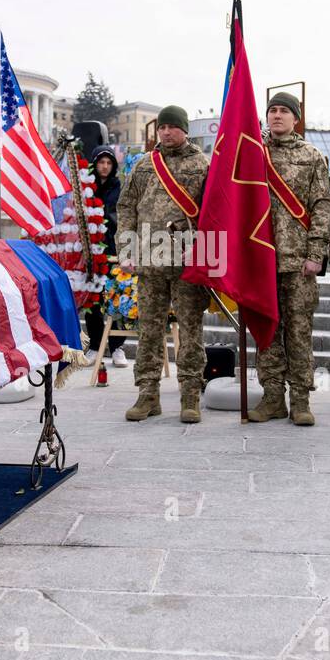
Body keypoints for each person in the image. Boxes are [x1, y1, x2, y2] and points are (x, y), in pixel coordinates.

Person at [116, 105, 210, 423]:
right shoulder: (144, 166)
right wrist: (125, 248)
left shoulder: (202, 164)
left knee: (191, 331)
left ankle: (190, 396)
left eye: (172, 127)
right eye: (162, 128)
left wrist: (204, 250)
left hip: (188, 261)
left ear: (185, 129)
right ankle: (147, 395)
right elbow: (126, 206)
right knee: (149, 331)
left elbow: (214, 211)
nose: (166, 132)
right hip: (149, 260)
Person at [246, 92, 330, 427]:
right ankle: (272, 398)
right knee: (267, 331)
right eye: (273, 111)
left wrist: (316, 254)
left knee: (298, 332)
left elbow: (323, 207)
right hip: (261, 261)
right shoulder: (253, 154)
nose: (277, 116)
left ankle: (300, 400)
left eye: (284, 111)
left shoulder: (310, 156)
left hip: (298, 261)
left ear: (296, 118)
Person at [84, 143, 128, 367]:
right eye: (101, 162)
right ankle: (94, 345)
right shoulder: (85, 187)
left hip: (112, 250)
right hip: (90, 251)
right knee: (93, 300)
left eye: (109, 163)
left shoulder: (119, 187)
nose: (104, 166)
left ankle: (117, 347)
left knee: (116, 298)